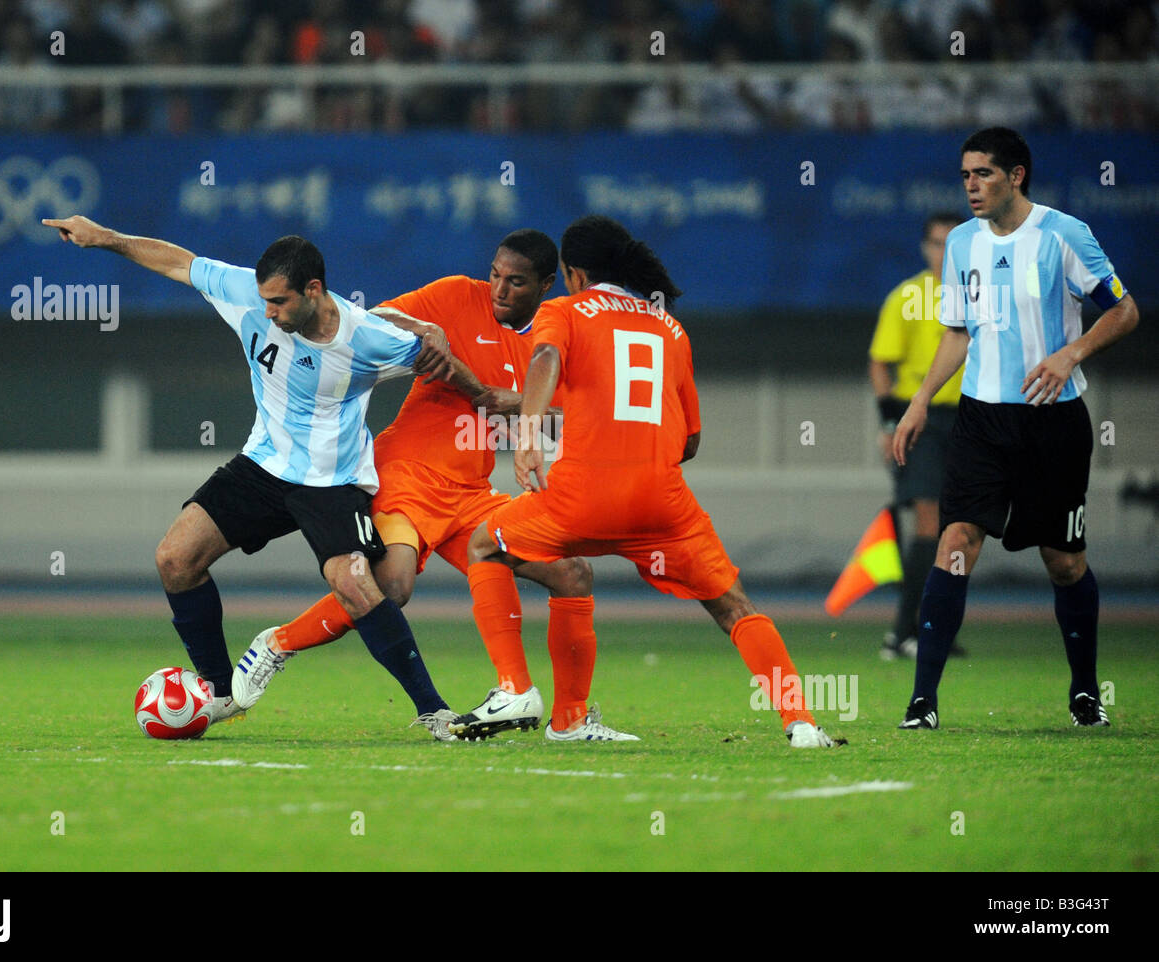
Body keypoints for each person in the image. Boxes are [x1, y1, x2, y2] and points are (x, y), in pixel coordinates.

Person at [40, 214, 464, 740]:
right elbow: (178, 261)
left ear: (313, 291)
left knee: (353, 584)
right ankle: (219, 694)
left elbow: (440, 362)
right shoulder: (247, 293)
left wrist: (471, 376)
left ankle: (435, 712)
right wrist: (106, 238)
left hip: (332, 479)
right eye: (264, 300)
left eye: (280, 302)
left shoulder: (366, 338)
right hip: (262, 466)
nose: (268, 311)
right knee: (175, 559)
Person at [466, 214, 840, 748]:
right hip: (661, 506)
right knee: (735, 605)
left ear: (573, 274)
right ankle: (801, 723)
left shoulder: (564, 311)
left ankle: (524, 694)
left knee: (483, 545)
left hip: (577, 500)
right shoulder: (670, 326)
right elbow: (690, 441)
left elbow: (546, 355)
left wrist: (528, 432)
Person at [240, 230, 613, 741]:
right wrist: (423, 326)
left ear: (547, 285)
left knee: (571, 572)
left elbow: (573, 415)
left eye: (516, 282)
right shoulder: (459, 294)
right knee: (392, 586)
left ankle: (567, 719)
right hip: (406, 473)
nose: (499, 289)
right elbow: (364, 321)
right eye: (495, 275)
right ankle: (277, 643)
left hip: (470, 493)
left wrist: (522, 404)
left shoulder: (555, 337)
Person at [892, 127, 1140, 731]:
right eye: (965, 176)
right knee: (955, 547)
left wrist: (1070, 354)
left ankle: (1085, 693)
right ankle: (922, 703)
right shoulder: (960, 243)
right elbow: (958, 330)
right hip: (980, 419)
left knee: (1064, 563)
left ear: (1016, 176)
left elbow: (1125, 309)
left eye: (983, 174)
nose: (971, 186)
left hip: (1053, 424)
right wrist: (921, 399)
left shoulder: (1064, 234)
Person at [869, 211, 965, 660]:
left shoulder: (979, 292)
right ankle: (903, 632)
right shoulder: (907, 296)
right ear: (924, 247)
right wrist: (891, 425)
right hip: (922, 421)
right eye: (935, 243)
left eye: (951, 243)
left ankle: (933, 629)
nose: (942, 253)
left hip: (971, 421)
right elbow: (880, 362)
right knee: (929, 523)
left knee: (957, 530)